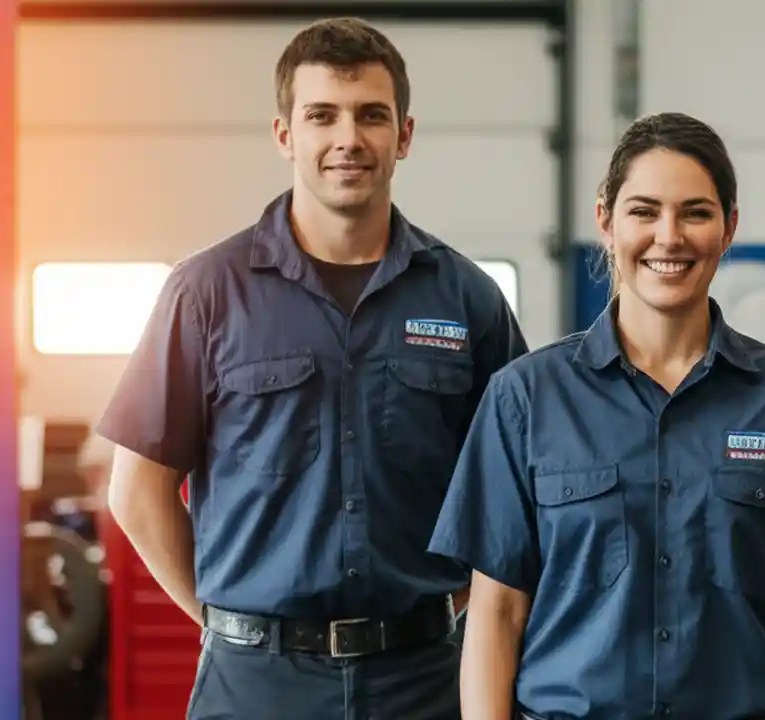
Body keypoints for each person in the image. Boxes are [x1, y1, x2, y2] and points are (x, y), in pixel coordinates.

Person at [97, 17, 526, 719]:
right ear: (285, 135)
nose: (348, 139)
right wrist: (228, 624)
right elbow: (138, 493)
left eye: (371, 117)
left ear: (404, 136)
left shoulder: (467, 297)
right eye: (322, 115)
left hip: (424, 679)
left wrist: (455, 608)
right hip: (257, 685)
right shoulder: (206, 293)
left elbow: (513, 492)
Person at [427, 112, 765, 720]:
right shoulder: (525, 398)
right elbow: (497, 613)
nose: (669, 237)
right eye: (644, 212)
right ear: (606, 221)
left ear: (729, 228)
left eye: (696, 213)